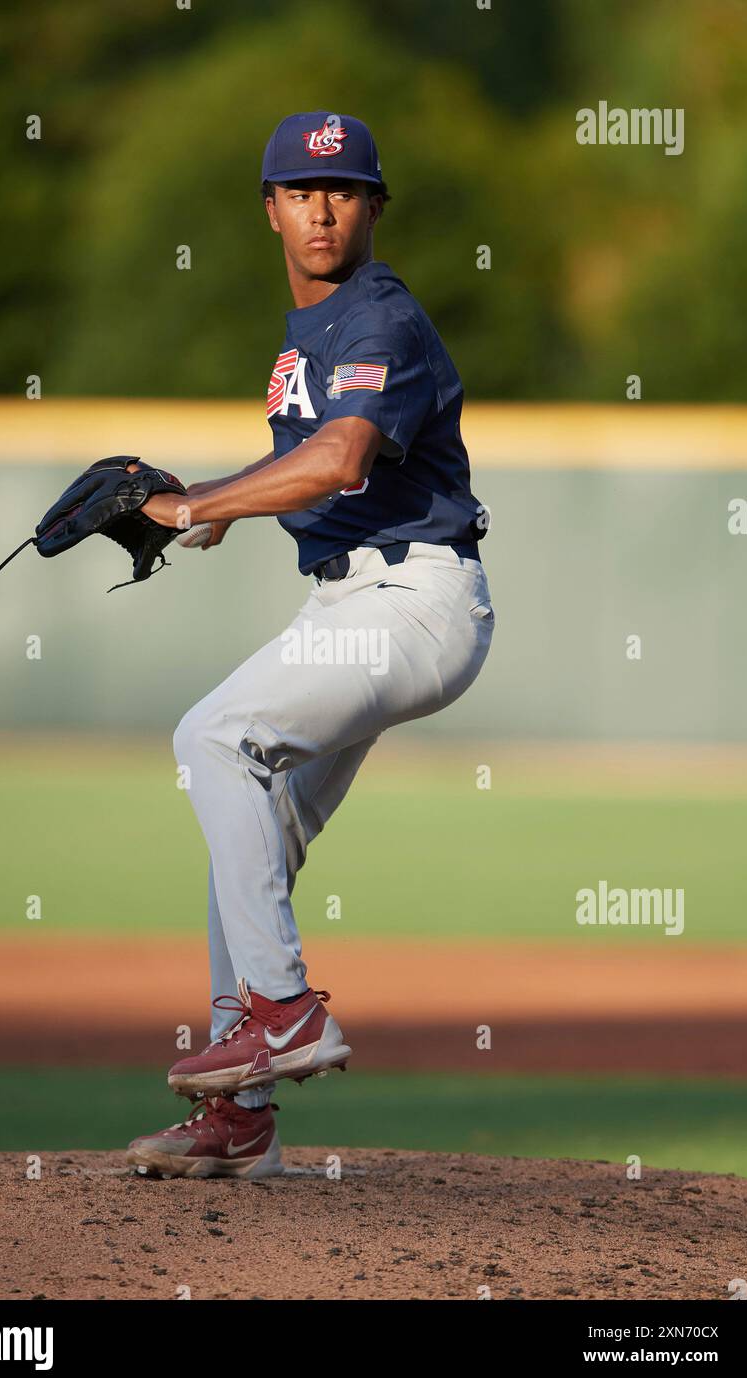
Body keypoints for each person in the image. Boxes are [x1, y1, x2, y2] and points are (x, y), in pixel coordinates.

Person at [126, 111, 494, 1179]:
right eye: (298, 189)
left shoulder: (378, 315)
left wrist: (197, 506)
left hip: (410, 602)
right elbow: (309, 461)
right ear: (270, 210)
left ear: (373, 207)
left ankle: (282, 1013)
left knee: (213, 736)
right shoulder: (308, 334)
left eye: (341, 189)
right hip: (346, 608)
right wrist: (226, 503)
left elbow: (338, 459)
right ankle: (239, 1117)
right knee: (250, 829)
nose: (320, 207)